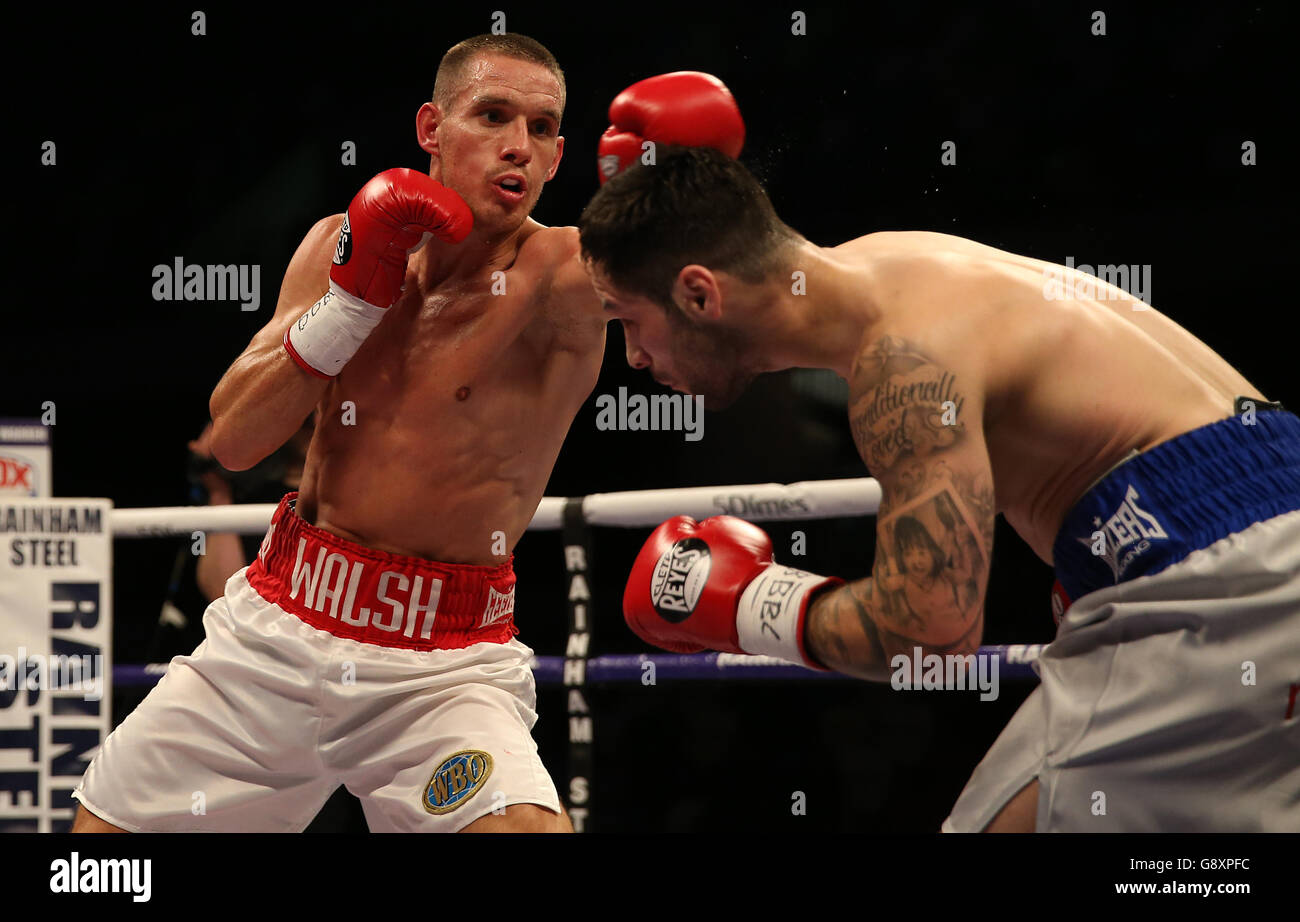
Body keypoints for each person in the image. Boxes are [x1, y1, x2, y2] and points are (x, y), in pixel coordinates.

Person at [581, 146, 1299, 832]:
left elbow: (930, 632)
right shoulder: (892, 260)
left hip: (1217, 587)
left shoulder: (905, 368)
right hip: (1246, 551)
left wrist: (747, 604)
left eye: (628, 321)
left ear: (700, 293)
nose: (636, 357)